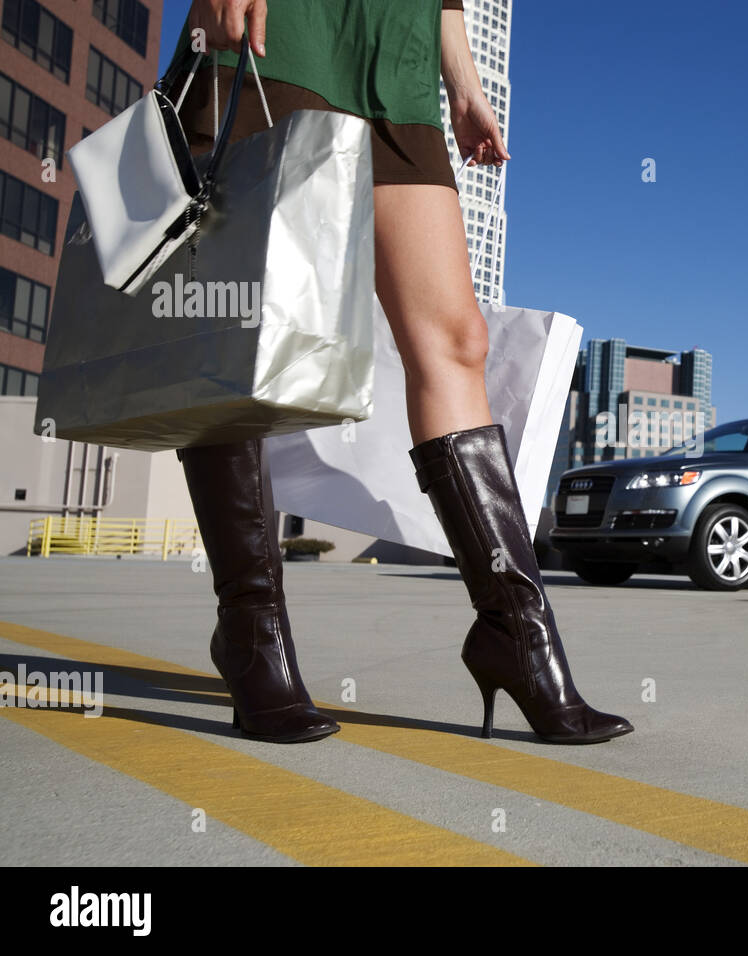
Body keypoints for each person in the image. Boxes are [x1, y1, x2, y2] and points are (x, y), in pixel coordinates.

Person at [164, 0, 632, 745]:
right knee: (238, 325)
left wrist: (462, 79)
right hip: (286, 28)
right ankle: (251, 636)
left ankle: (518, 636)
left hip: (395, 54)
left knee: (455, 339)